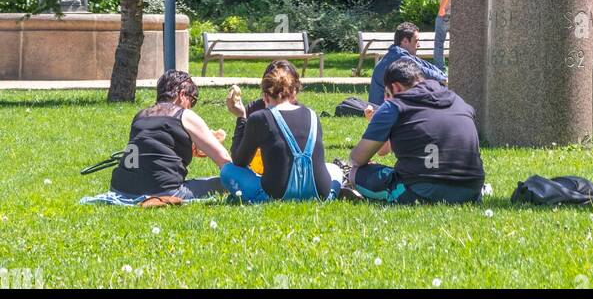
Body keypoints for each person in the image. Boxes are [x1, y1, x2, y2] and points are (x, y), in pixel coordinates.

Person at [347, 57, 485, 205]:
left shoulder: (394, 106)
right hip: (472, 190)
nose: (386, 100)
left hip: (421, 190)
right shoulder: (459, 101)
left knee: (356, 173)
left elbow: (357, 159)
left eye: (387, 93)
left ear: (396, 88)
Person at [221, 61, 342, 203]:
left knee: (227, 171)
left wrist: (242, 117)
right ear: (294, 92)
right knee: (334, 168)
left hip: (275, 195)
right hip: (319, 195)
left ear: (265, 96)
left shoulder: (259, 118)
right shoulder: (312, 115)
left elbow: (239, 161)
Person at [101, 70, 229, 203]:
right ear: (182, 95)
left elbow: (152, 148)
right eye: (193, 101)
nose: (190, 107)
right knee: (224, 185)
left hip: (120, 189)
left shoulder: (141, 115)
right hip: (163, 191)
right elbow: (224, 160)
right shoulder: (184, 115)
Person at [368, 20, 447, 107]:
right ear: (405, 41)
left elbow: (428, 67)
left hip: (386, 106)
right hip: (383, 110)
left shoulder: (397, 54)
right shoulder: (400, 58)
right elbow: (432, 76)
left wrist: (443, 77)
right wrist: (445, 80)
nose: (419, 45)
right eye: (416, 41)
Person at [433, 0, 458, 71]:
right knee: (457, 44)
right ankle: (457, 68)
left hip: (444, 16)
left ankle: (439, 70)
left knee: (439, 44)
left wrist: (441, 9)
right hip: (456, 16)